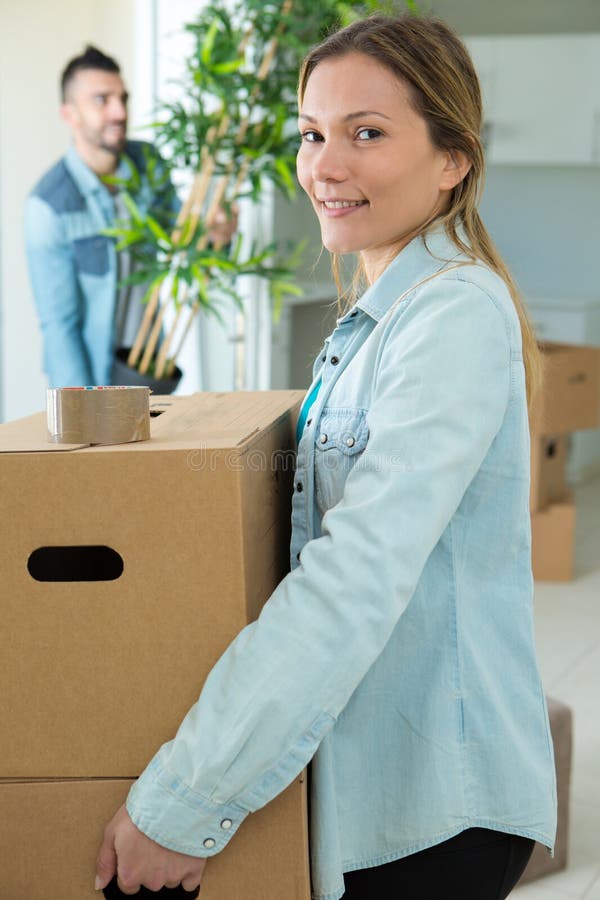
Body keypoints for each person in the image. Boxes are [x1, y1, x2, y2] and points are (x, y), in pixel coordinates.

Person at [95, 14, 557, 900]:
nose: (324, 165)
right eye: (312, 134)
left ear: (453, 158)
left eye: (367, 134)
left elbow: (355, 574)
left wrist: (188, 799)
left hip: (435, 811)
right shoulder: (382, 314)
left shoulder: (450, 316)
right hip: (376, 788)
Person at [24, 46, 234, 388]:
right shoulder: (48, 206)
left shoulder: (147, 162)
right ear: (69, 113)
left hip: (147, 364)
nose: (120, 112)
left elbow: (182, 240)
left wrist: (217, 237)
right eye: (101, 100)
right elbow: (58, 325)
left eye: (123, 98)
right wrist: (82, 411)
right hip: (91, 380)